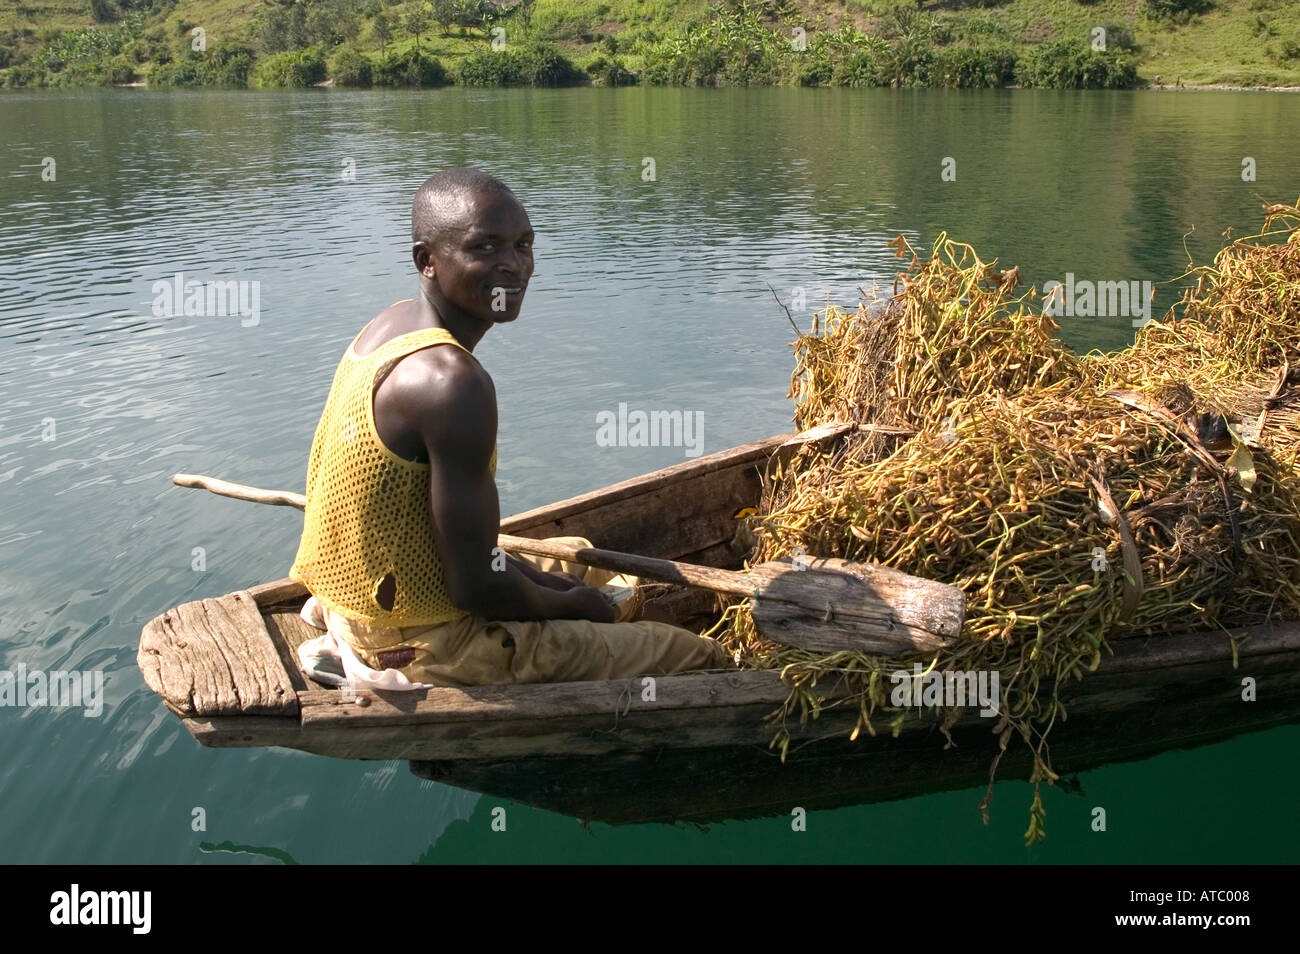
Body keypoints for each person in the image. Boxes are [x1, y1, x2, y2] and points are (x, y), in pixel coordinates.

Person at [289, 168, 729, 687]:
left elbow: (473, 553)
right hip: (422, 643)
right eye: (485, 247)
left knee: (581, 557)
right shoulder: (452, 385)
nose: (514, 266)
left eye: (524, 245)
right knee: (694, 656)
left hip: (362, 598)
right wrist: (576, 610)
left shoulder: (390, 324)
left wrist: (551, 587)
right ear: (426, 260)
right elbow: (476, 588)